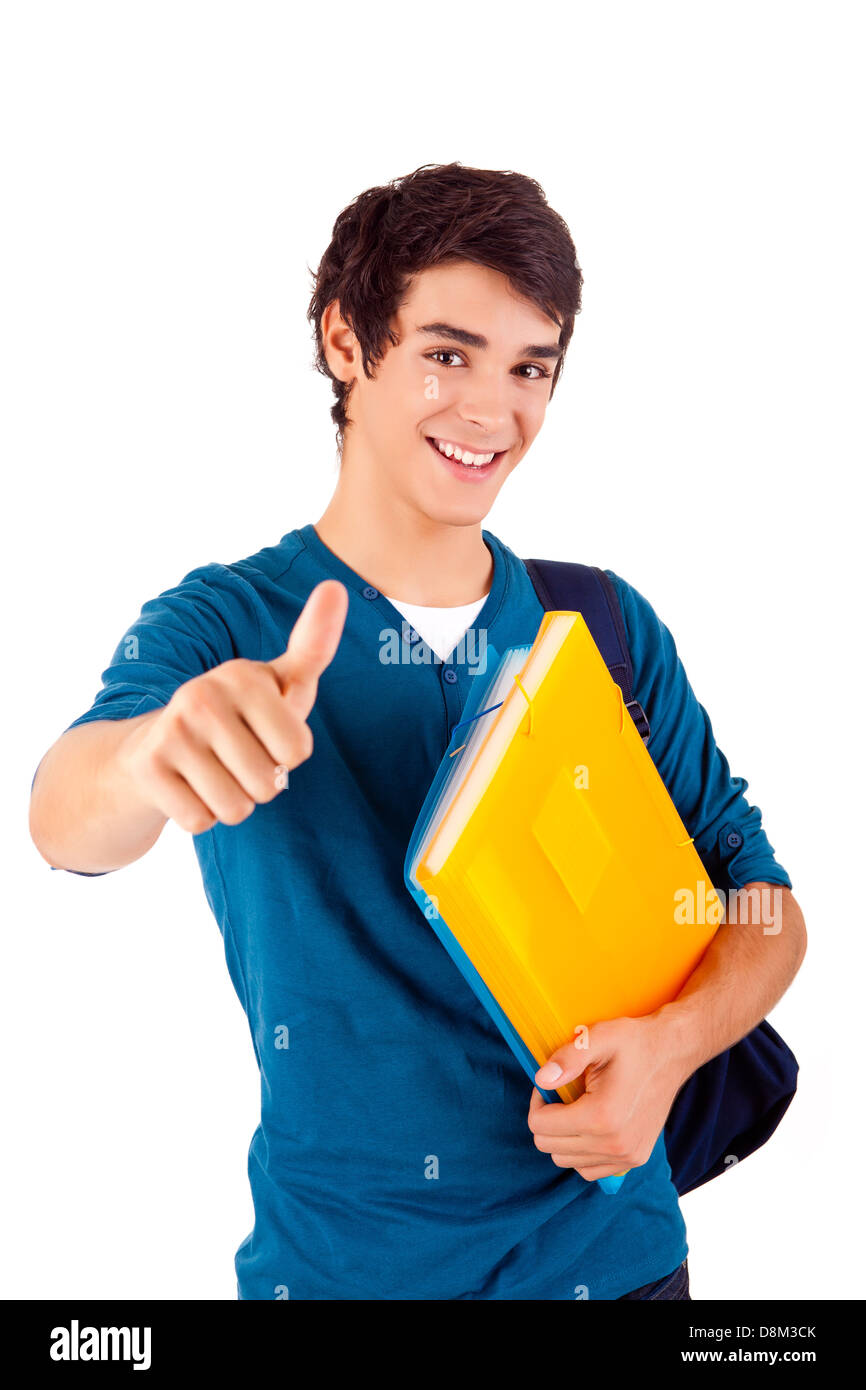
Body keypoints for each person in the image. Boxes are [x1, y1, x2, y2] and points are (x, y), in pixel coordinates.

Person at [29, 162, 806, 1301]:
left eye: (528, 368)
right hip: (342, 1274)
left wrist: (672, 1048)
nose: (491, 412)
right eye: (446, 354)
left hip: (620, 1272)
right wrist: (152, 754)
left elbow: (762, 907)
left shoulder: (598, 629)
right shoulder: (225, 624)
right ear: (348, 342)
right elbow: (65, 816)